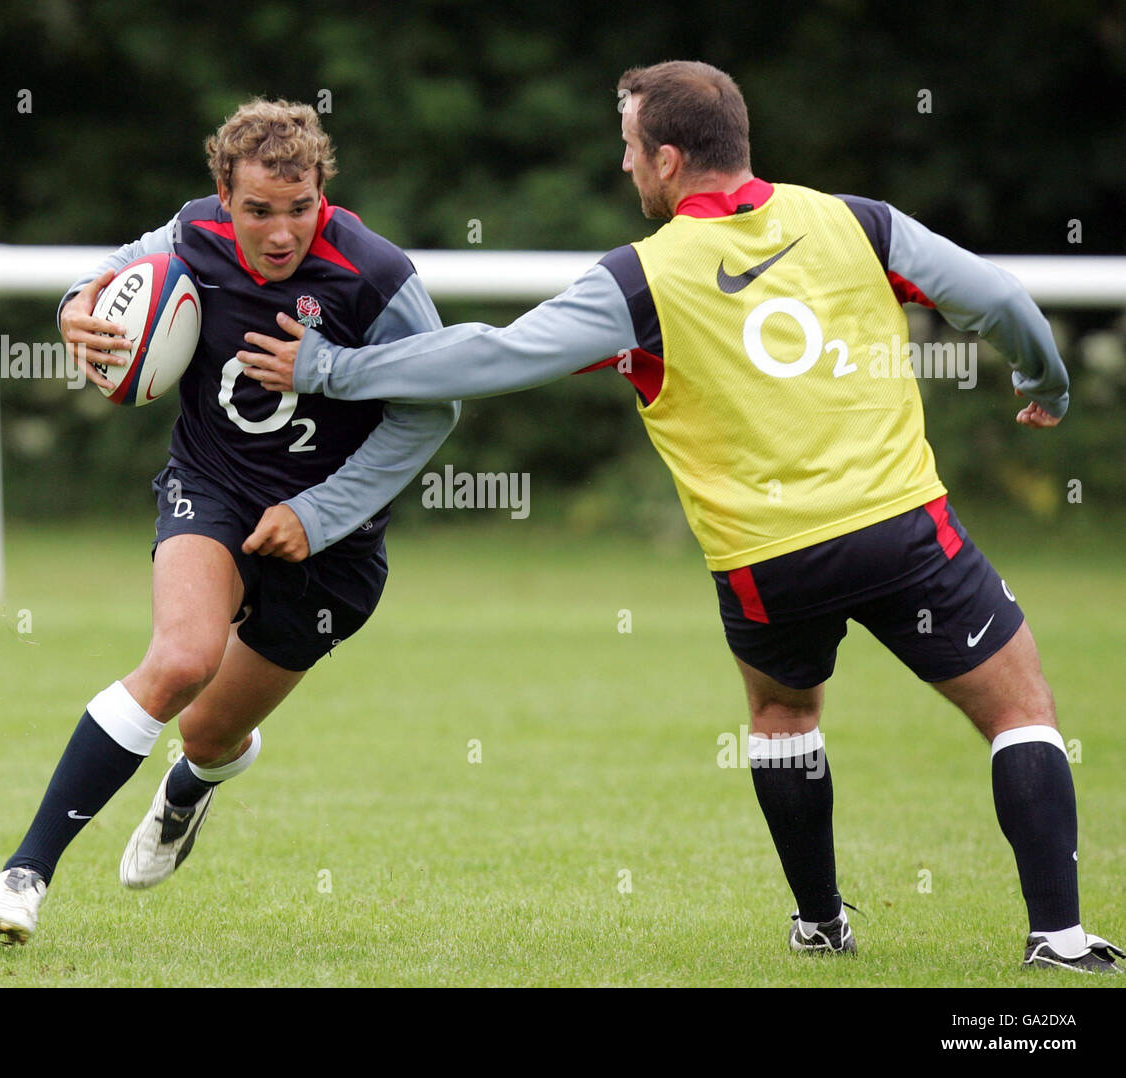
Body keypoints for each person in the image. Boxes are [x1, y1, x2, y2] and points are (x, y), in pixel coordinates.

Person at [243, 62, 1121, 973]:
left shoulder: (640, 279)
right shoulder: (859, 223)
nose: (623, 168)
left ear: (666, 158)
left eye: (628, 150)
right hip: (901, 529)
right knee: (1020, 710)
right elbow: (1005, 301)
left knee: (784, 715)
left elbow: (490, 358)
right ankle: (1057, 937)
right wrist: (1043, 380)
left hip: (764, 563)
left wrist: (329, 370)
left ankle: (820, 922)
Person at [0, 98, 459, 944]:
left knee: (208, 731)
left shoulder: (376, 278)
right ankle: (25, 874)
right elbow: (106, 280)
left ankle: (189, 790)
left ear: (323, 192)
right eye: (257, 211)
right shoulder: (189, 233)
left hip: (332, 545)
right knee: (180, 661)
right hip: (214, 485)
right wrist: (70, 312)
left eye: (300, 207)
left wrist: (318, 512)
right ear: (222, 198)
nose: (280, 232)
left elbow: (432, 409)